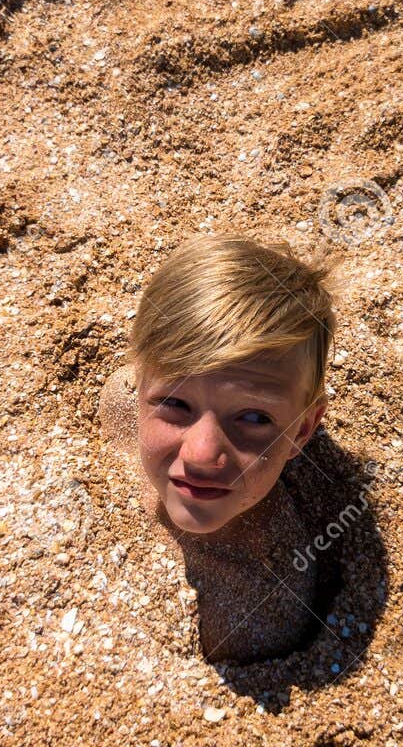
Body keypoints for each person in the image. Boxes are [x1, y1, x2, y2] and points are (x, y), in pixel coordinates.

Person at [98, 235, 336, 665]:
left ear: (302, 431)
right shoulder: (120, 404)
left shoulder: (259, 610)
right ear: (140, 390)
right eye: (175, 403)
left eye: (253, 417)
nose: (202, 454)